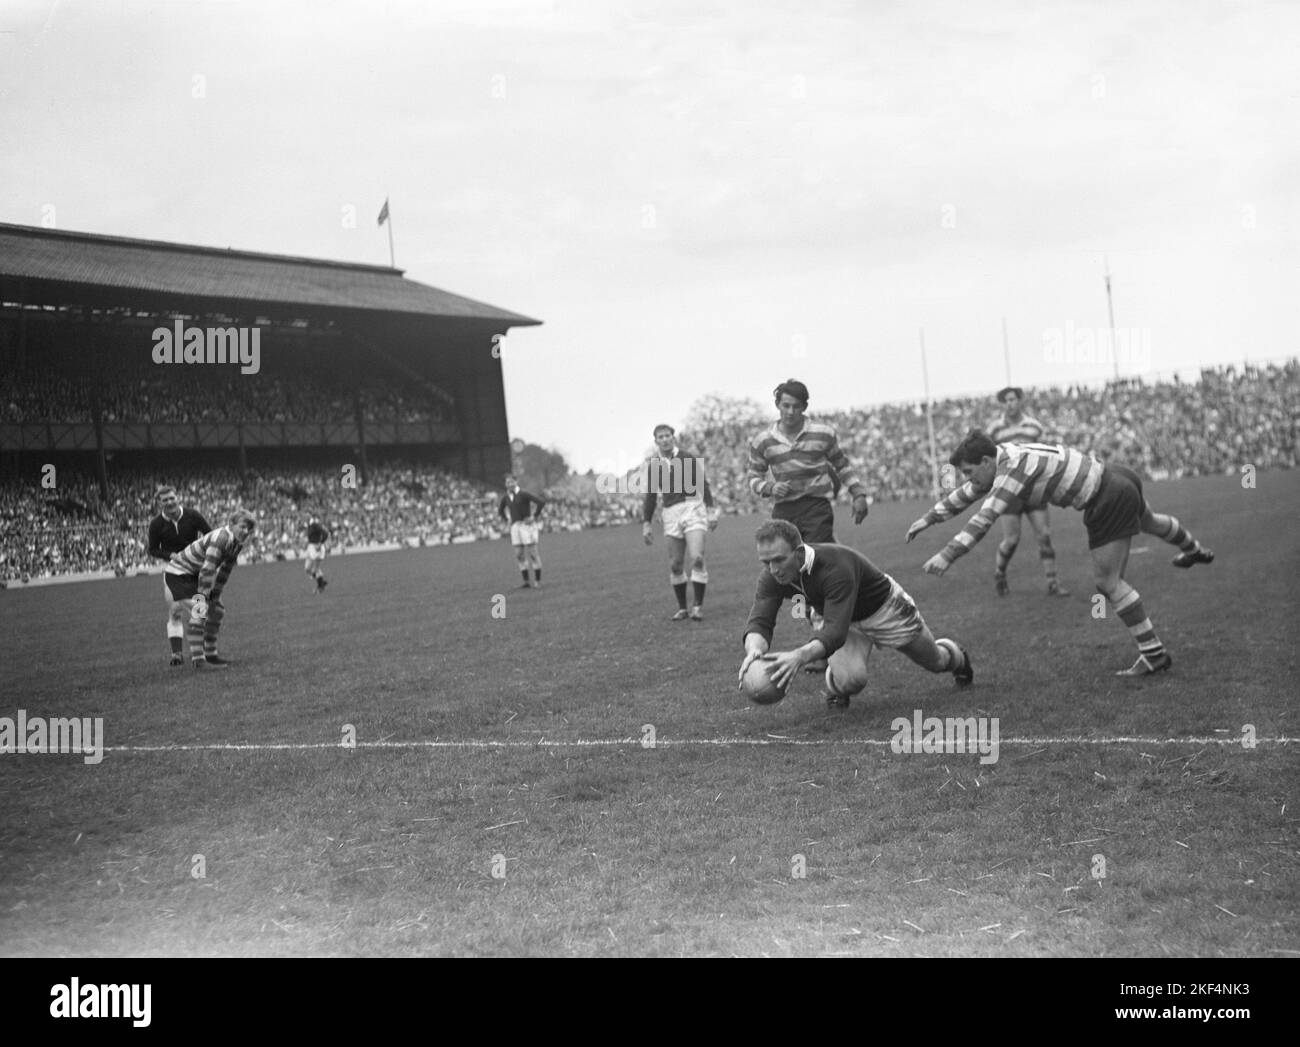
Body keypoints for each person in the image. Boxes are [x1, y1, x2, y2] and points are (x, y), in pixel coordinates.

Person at [909, 431, 1214, 676]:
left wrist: (947, 555)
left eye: (969, 471)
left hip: (1105, 497)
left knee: (1108, 583)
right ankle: (1194, 550)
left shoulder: (1013, 467)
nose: (967, 478)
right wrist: (928, 519)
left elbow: (985, 516)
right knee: (1151, 522)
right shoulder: (1005, 455)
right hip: (1117, 476)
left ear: (987, 461)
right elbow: (969, 493)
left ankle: (1154, 654)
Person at [740, 519, 973, 710]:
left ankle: (957, 656)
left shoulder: (835, 566)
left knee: (936, 662)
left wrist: (799, 656)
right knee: (852, 680)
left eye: (779, 559)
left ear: (799, 552)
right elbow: (761, 617)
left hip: (884, 610)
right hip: (836, 615)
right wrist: (754, 651)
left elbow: (834, 633)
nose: (773, 569)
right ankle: (837, 687)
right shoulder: (771, 576)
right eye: (766, 562)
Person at [746, 379, 870, 544]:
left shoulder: (823, 434)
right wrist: (770, 487)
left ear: (804, 407)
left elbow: (842, 466)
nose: (790, 411)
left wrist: (858, 494)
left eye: (796, 406)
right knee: (788, 563)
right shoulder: (763, 441)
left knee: (812, 557)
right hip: (784, 511)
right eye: (786, 406)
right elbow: (753, 477)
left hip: (816, 507)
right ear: (777, 405)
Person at [987, 387, 1067, 596]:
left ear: (1020, 401)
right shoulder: (994, 430)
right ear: (1002, 404)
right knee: (1011, 540)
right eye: (1006, 401)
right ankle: (1000, 573)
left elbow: (1047, 454)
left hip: (1033, 489)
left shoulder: (1034, 427)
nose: (1009, 404)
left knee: (1044, 535)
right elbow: (988, 459)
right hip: (1010, 491)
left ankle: (1053, 583)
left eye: (1013, 400)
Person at [641, 424, 719, 620]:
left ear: (673, 438)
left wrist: (710, 510)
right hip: (671, 513)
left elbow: (703, 483)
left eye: (668, 435)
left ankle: (697, 607)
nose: (665, 439)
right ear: (656, 441)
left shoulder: (687, 457)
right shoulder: (654, 465)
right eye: (661, 437)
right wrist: (646, 523)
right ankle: (683, 608)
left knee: (697, 558)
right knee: (676, 564)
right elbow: (650, 496)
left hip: (692, 508)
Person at [164, 509, 257, 670]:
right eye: (242, 527)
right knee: (200, 610)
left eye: (249, 529)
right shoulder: (221, 538)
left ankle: (211, 655)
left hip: (194, 576)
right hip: (179, 574)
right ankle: (199, 660)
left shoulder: (237, 543)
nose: (246, 531)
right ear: (231, 524)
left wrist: (216, 594)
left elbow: (225, 571)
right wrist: (204, 597)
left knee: (218, 610)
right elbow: (208, 570)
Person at [146, 485, 211, 666]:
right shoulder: (156, 524)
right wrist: (169, 555)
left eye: (171, 498)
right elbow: (152, 549)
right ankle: (176, 654)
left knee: (200, 610)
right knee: (175, 611)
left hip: (195, 570)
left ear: (177, 498)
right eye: (165, 500)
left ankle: (200, 653)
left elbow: (209, 534)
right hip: (172, 570)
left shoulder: (192, 515)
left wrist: (201, 552)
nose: (169, 502)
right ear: (159, 503)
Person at [497, 475, 546, 588]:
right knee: (519, 554)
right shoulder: (506, 497)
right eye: (507, 482)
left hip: (527, 526)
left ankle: (537, 581)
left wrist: (534, 516)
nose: (510, 484)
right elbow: (500, 510)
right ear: (505, 484)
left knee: (533, 553)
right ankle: (526, 581)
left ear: (516, 482)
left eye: (511, 482)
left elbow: (541, 502)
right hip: (515, 527)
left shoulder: (523, 494)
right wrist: (507, 519)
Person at [304, 516, 329, 593]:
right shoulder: (308, 526)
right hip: (311, 547)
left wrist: (320, 543)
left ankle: (320, 586)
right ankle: (321, 581)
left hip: (316, 548)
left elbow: (325, 533)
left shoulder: (315, 525)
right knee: (307, 568)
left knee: (315, 569)